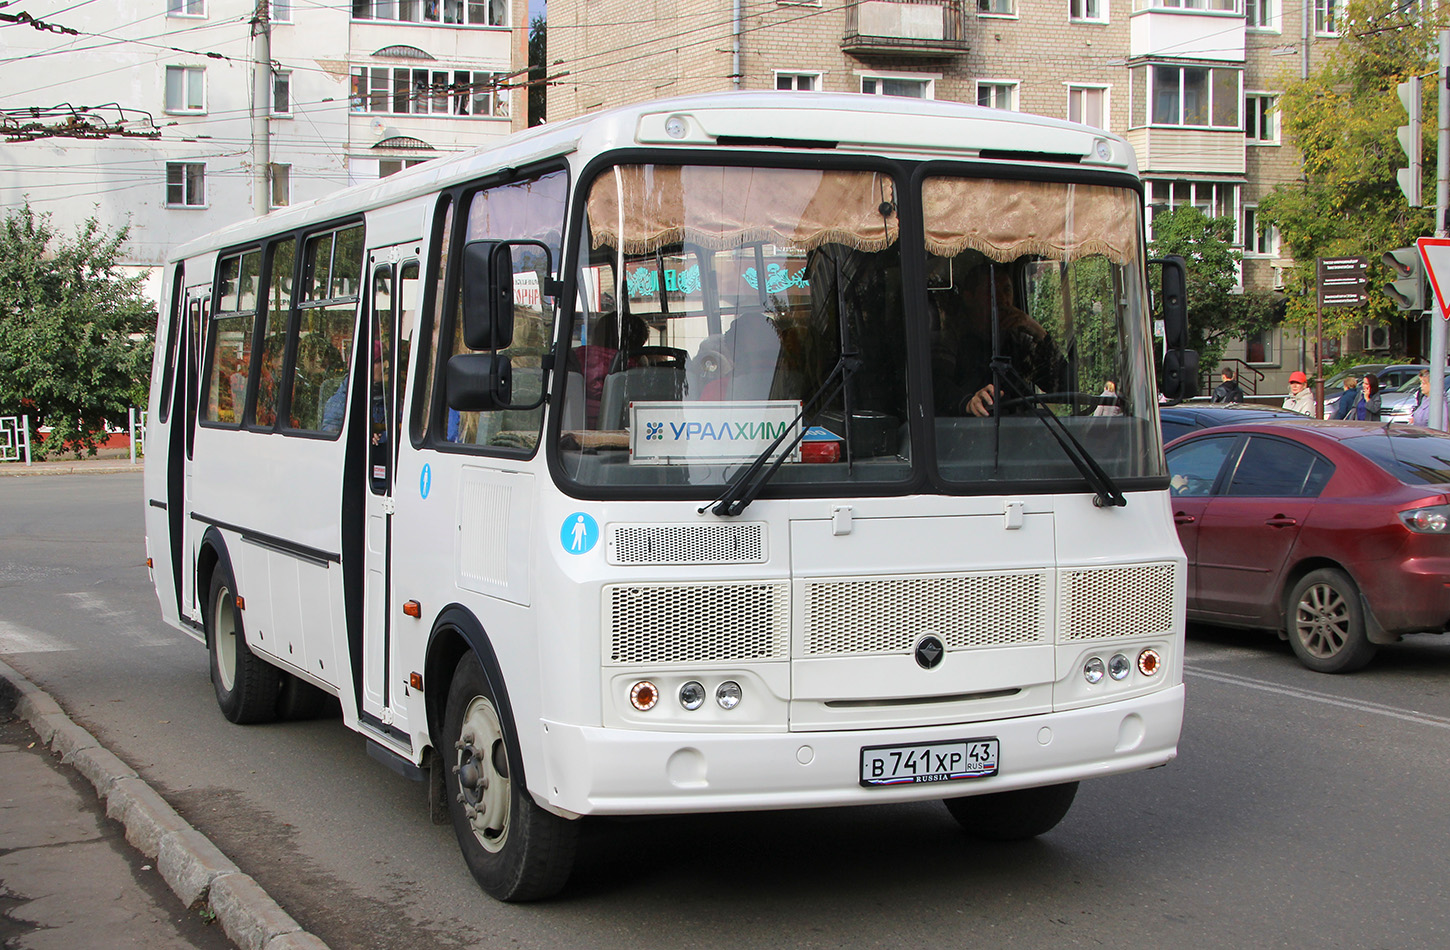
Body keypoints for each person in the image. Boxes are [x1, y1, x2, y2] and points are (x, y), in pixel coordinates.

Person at [931, 262, 1063, 418]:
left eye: (1007, 290)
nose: (1002, 300)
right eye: (991, 291)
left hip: (1017, 433)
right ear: (969, 298)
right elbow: (937, 387)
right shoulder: (952, 338)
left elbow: (1062, 386)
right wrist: (968, 403)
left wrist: (1039, 333)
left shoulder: (1018, 341)